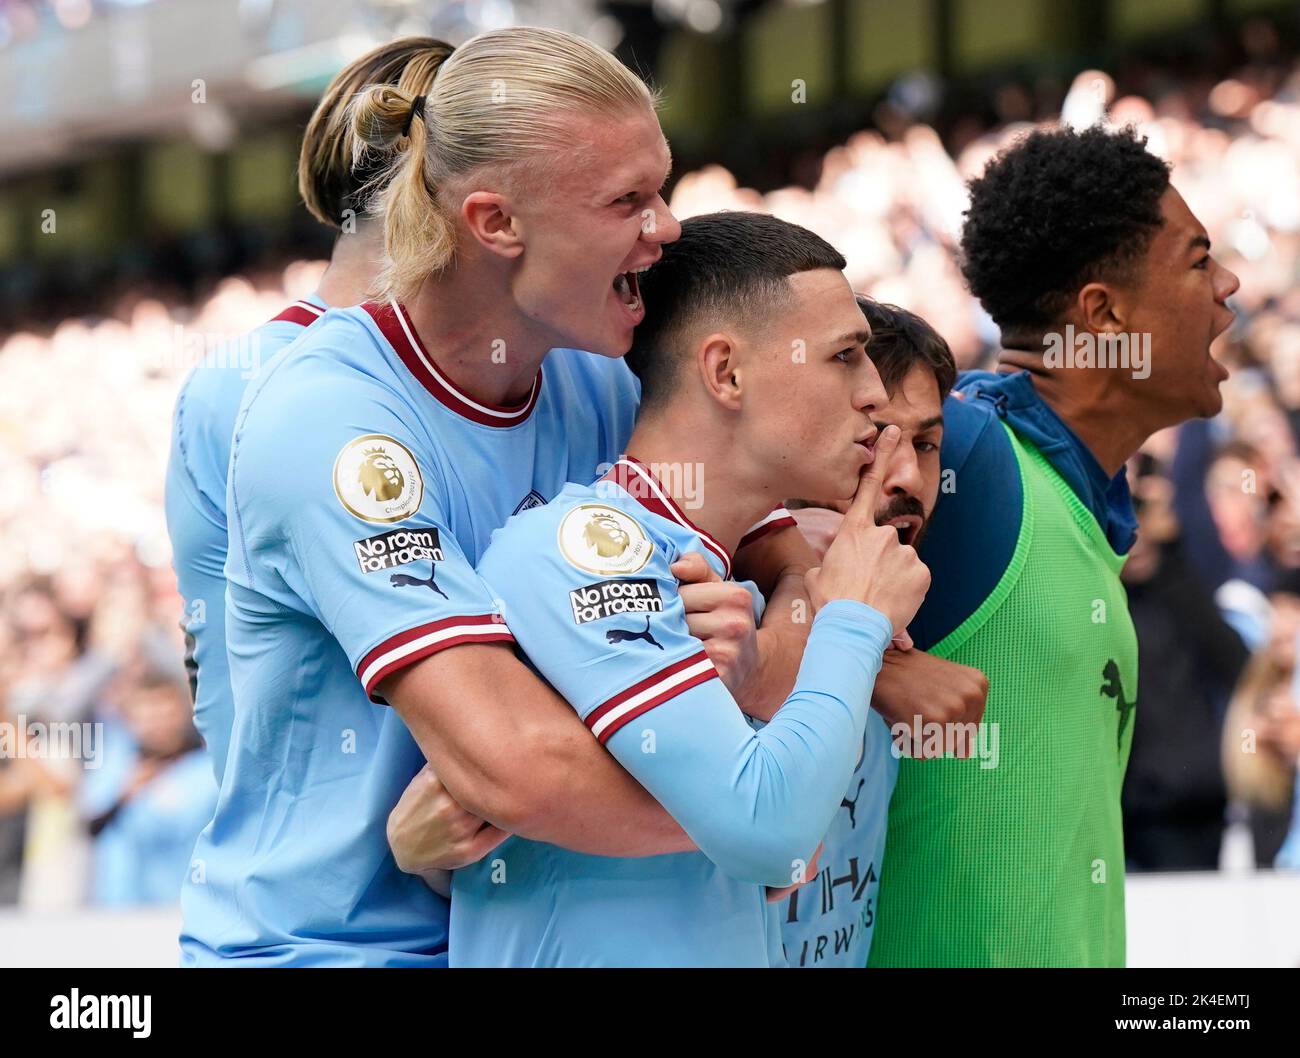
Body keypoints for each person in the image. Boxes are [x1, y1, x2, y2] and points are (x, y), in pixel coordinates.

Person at [179, 27, 815, 967]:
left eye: (663, 187)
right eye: (627, 199)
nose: (669, 226)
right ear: (495, 223)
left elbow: (797, 563)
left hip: (518, 926)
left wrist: (769, 655)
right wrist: (765, 806)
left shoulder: (599, 377)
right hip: (336, 947)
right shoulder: (325, 418)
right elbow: (519, 766)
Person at [447, 212, 929, 966]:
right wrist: (855, 617)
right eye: (845, 356)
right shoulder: (577, 550)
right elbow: (768, 831)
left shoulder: (753, 593)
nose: (875, 394)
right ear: (726, 373)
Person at [869, 124, 1240, 967]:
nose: (1229, 287)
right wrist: (869, 662)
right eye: (1196, 261)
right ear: (1104, 313)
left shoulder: (1076, 494)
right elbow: (735, 551)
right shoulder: (963, 450)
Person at [165, 37, 453, 782]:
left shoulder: (540, 367)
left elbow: (211, 672)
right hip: (346, 865)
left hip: (448, 851)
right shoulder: (244, 382)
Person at [779, 296, 972, 967]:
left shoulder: (894, 625)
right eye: (874, 442)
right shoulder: (700, 607)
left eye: (924, 443)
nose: (909, 479)